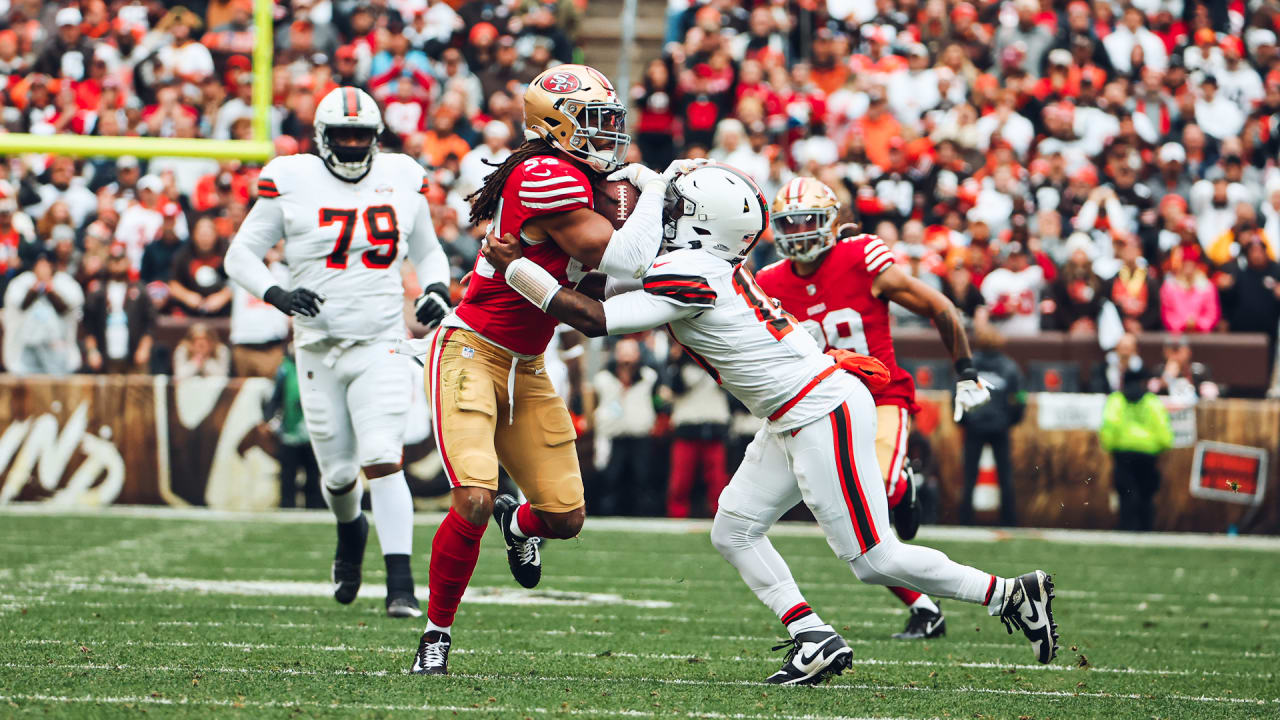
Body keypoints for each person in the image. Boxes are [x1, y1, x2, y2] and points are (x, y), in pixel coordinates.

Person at [484, 163, 1060, 684]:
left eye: (678, 207)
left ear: (700, 224)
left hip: (818, 409)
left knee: (874, 559)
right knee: (732, 530)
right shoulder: (701, 263)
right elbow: (607, 283)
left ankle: (1010, 594)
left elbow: (592, 316)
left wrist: (518, 273)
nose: (667, 215)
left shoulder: (692, 271)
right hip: (794, 413)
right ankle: (813, 636)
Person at [407, 65, 686, 675]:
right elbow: (621, 255)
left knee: (565, 517)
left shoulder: (591, 177)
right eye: (594, 121)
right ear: (554, 125)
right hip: (472, 351)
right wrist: (658, 189)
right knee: (474, 497)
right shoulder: (544, 173)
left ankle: (521, 522)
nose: (609, 133)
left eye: (611, 120)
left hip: (529, 363)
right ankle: (436, 633)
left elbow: (609, 284)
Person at [225, 86, 452, 620]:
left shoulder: (399, 176)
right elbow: (241, 255)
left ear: (376, 139)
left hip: (382, 342)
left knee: (382, 456)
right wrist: (276, 293)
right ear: (322, 138)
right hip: (317, 348)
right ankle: (351, 531)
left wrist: (436, 288)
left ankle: (401, 583)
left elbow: (428, 250)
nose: (353, 146)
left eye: (362, 137)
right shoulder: (292, 179)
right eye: (343, 137)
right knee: (338, 476)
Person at [755, 177, 993, 641]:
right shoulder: (768, 282)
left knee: (876, 495)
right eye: (789, 223)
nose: (799, 231)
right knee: (846, 519)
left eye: (809, 220)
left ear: (832, 223)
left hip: (880, 395)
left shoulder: (861, 255)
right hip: (821, 406)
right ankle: (924, 605)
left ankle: (901, 483)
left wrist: (964, 369)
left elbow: (938, 305)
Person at [957, 324, 1026, 527]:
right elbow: (1020, 398)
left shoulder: (970, 365)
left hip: (975, 427)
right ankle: (1009, 520)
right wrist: (1011, 421)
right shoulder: (1010, 366)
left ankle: (965, 520)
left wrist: (965, 421)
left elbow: (959, 394)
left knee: (969, 475)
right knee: (1005, 476)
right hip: (999, 428)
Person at [590, 338, 660, 516]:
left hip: (640, 435)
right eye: (623, 352)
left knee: (643, 478)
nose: (627, 357)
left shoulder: (649, 376)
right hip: (613, 436)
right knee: (610, 478)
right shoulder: (603, 379)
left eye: (631, 352)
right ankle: (607, 514)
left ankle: (643, 515)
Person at [1099, 369, 1172, 532]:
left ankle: (1127, 527)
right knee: (1146, 494)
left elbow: (1110, 424)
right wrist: (1162, 445)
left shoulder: (1116, 400)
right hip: (1148, 453)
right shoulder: (1151, 401)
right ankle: (1146, 528)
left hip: (1123, 453)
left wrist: (1110, 446)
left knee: (1126, 493)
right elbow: (1162, 429)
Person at [663, 342, 730, 518]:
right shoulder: (678, 368)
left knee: (717, 480)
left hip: (714, 427)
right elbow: (673, 387)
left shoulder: (720, 365)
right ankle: (677, 515)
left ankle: (719, 515)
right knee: (680, 481)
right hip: (687, 429)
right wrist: (676, 360)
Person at [1, 250, 84, 375]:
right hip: (25, 350)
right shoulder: (21, 282)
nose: (43, 268)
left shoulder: (65, 282)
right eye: (40, 264)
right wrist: (35, 289)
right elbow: (19, 305)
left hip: (58, 349)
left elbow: (67, 308)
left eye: (47, 264)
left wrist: (50, 290)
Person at [82, 242, 155, 374]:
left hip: (134, 354)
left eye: (120, 259)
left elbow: (149, 323)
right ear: (108, 262)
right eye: (113, 260)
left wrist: (144, 348)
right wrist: (92, 351)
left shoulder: (139, 290)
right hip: (106, 355)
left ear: (127, 261)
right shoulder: (98, 292)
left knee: (136, 392)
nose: (117, 264)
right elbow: (88, 326)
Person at [265, 352, 324, 509]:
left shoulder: (317, 365)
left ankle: (314, 505)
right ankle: (287, 505)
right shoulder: (284, 369)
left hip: (312, 432)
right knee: (288, 474)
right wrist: (270, 419)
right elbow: (276, 398)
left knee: (313, 474)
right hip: (290, 433)